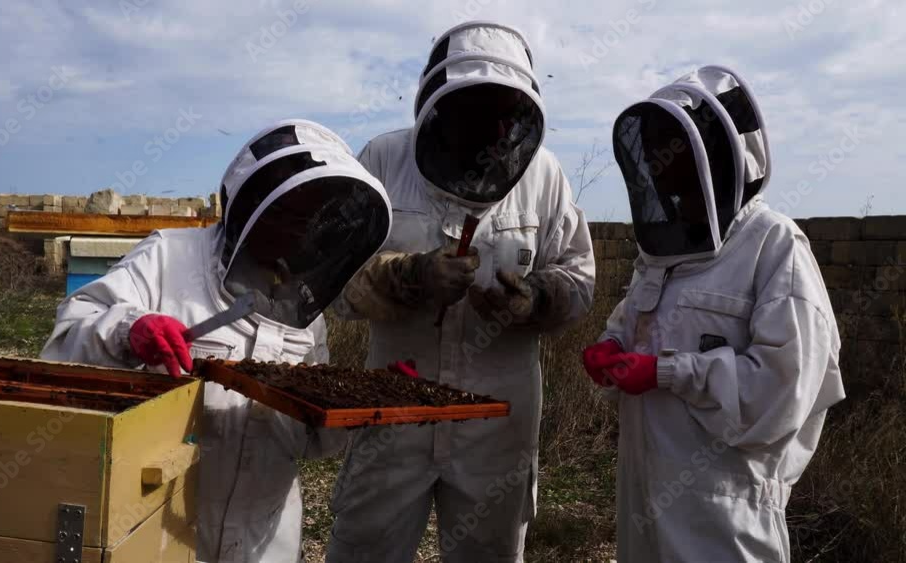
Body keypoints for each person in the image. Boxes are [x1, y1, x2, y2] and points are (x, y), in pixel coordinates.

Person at [40, 119, 393, 563]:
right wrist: (130, 330)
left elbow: (307, 443)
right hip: (158, 529)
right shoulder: (168, 257)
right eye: (284, 214)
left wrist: (356, 410)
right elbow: (66, 343)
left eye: (307, 220)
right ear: (249, 207)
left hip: (266, 541)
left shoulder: (305, 310)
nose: (293, 231)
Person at [326, 21, 595, 563]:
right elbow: (330, 280)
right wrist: (409, 276)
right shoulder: (381, 161)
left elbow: (580, 280)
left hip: (497, 427)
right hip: (391, 414)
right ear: (438, 106)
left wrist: (534, 299)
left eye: (501, 113)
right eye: (474, 110)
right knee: (363, 551)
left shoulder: (543, 176)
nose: (488, 128)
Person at [582, 65, 845, 562]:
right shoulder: (665, 248)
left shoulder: (775, 246)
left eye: (677, 158)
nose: (663, 172)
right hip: (642, 494)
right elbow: (637, 316)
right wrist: (613, 343)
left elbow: (781, 393)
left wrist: (667, 372)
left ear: (719, 160)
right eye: (660, 159)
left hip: (727, 511)